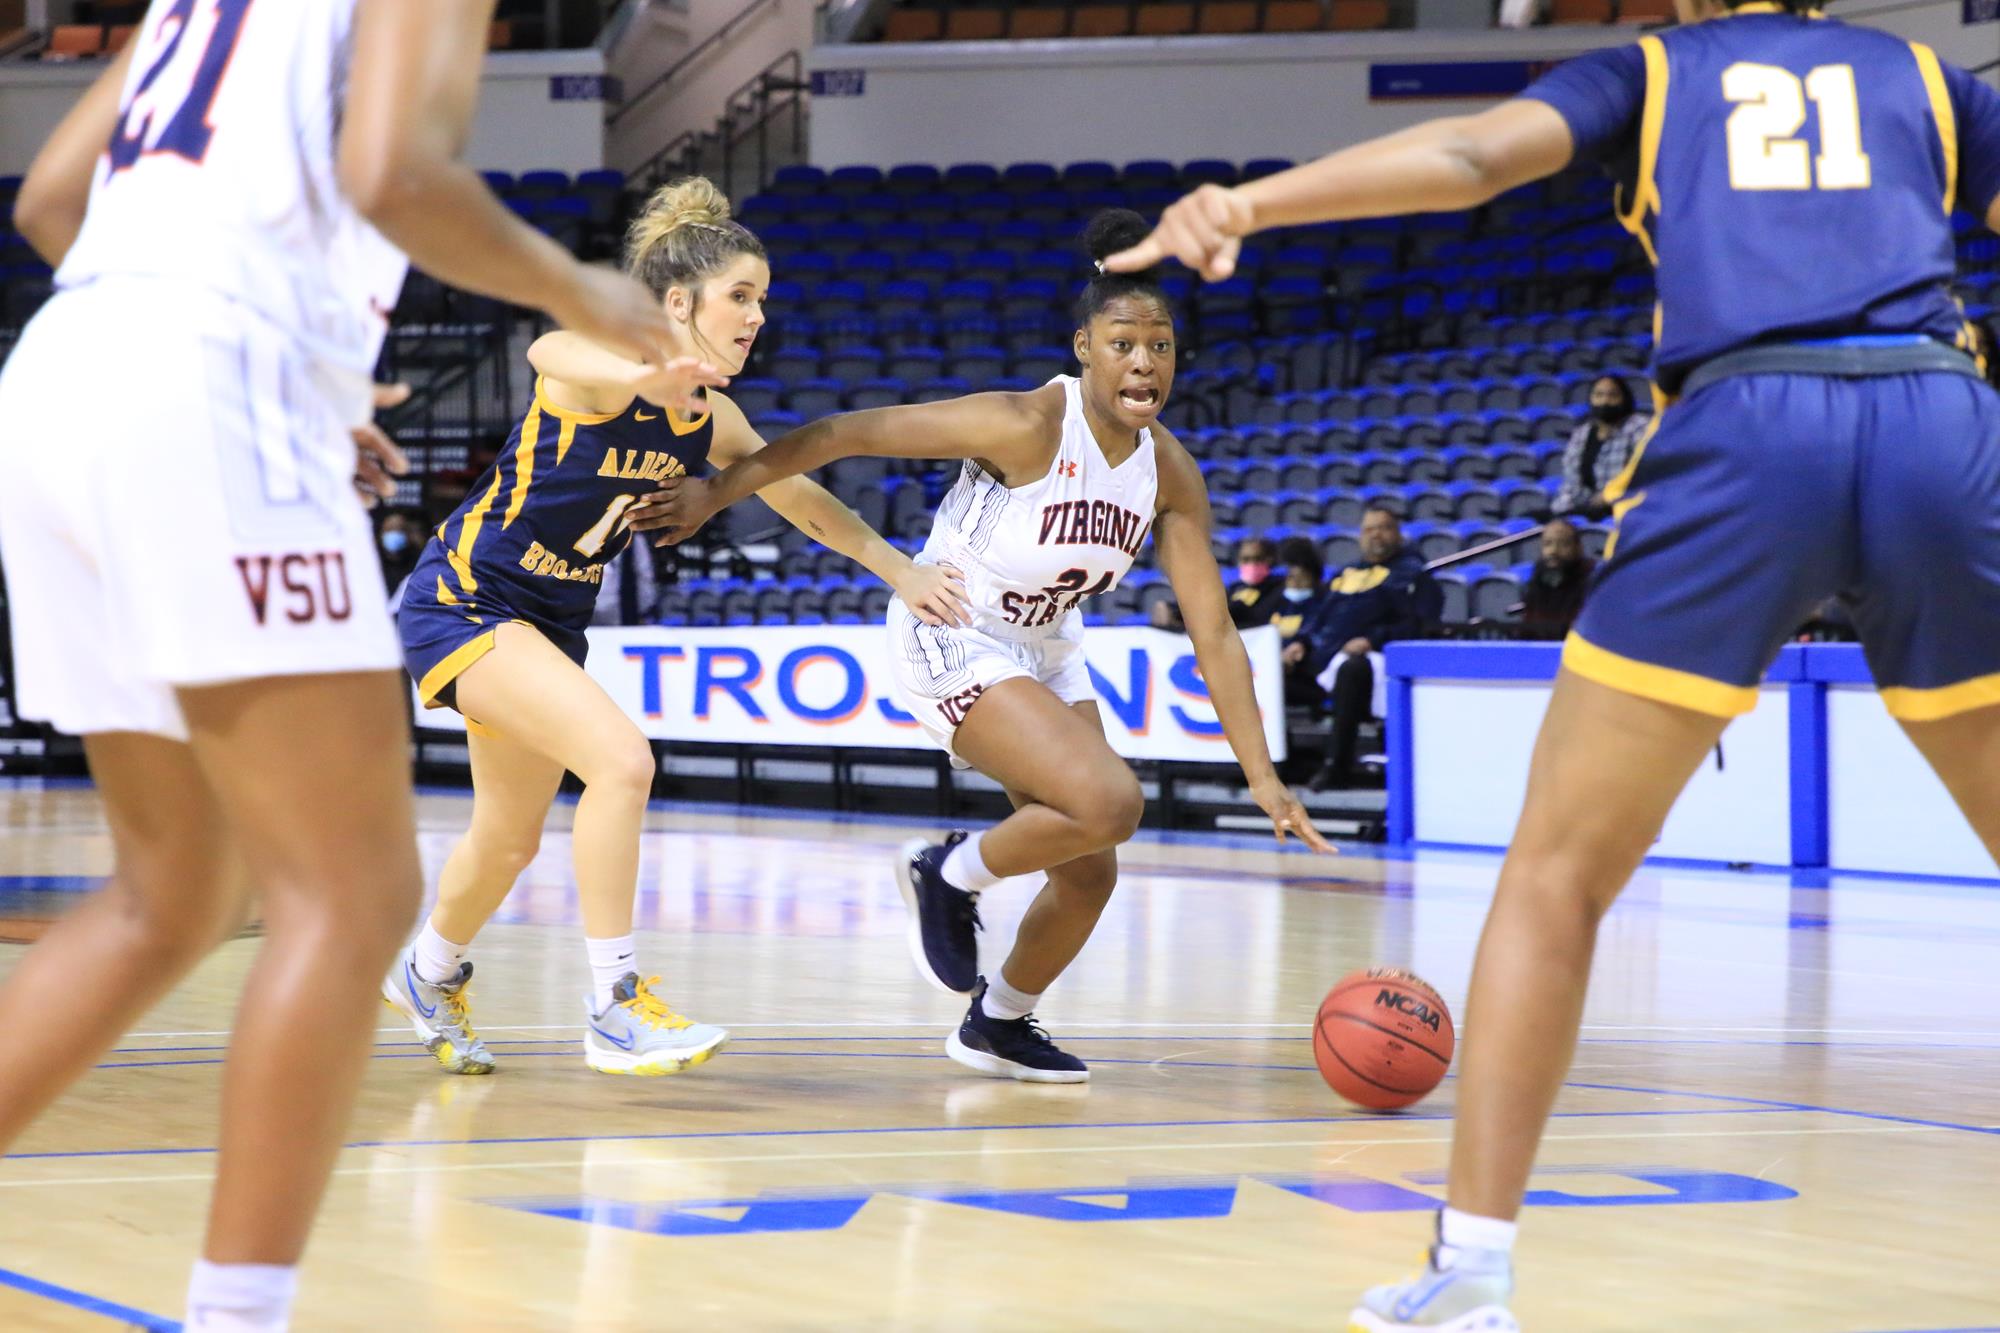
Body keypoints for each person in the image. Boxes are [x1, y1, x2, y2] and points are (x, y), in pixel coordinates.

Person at [1111, 0, 2000, 1327]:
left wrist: (1248, 203)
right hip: (1939, 417)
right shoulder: (1925, 74)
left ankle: (1471, 1273)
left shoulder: (1656, 67)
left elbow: (1472, 156)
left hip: (1749, 428)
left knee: (1557, 874)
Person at [0, 2, 681, 1329]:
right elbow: (393, 176)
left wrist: (278, 368)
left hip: (64, 371)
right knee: (353, 894)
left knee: (170, 896)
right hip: (205, 376)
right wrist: (577, 287)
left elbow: (47, 201)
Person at [631, 210, 1334, 1083]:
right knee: (1111, 798)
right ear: (1085, 349)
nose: (1144, 363)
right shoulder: (1023, 423)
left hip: (1048, 645)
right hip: (953, 626)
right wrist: (715, 493)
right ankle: (947, 870)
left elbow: (1215, 631)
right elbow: (843, 433)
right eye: (1123, 344)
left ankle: (998, 1022)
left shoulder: (1169, 471)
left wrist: (1264, 777)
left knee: (1089, 872)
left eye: (1160, 346)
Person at [383, 178, 967, 1077]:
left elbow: (803, 501)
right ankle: (615, 1004)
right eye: (742, 295)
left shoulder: (714, 418)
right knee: (623, 761)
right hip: (466, 597)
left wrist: (903, 570)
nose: (757, 316)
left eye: (762, 299)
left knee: (507, 837)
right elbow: (548, 348)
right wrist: (645, 374)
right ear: (680, 302)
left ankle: (426, 973)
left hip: (547, 621)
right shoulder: (606, 366)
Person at [1281, 506, 1442, 790]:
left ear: (1398, 534)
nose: (1375, 535)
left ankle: (1337, 767)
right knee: (1270, 675)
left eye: (1383, 528)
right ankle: (1282, 762)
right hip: (1323, 661)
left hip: (1372, 663)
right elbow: (1318, 616)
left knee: (1352, 669)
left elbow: (1420, 624)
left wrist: (1372, 640)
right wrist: (1300, 642)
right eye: (1369, 529)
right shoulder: (1345, 573)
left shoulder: (1414, 576)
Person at [1555, 375, 1650, 519]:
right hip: (1586, 505)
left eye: (1613, 395)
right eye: (1599, 395)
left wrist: (1608, 496)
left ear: (1625, 399)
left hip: (1624, 505)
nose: (1605, 401)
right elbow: (1571, 481)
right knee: (1536, 518)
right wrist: (1561, 513)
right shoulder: (1582, 433)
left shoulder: (1639, 427)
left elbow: (1643, 472)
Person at [1270, 535, 1331, 705]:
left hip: (1308, 678)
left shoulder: (1324, 602)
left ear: (1310, 571)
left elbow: (1318, 639)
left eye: (1295, 567)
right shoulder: (1278, 601)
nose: (1290, 574)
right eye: (1288, 567)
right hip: (1273, 672)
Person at [1518, 516, 1593, 639]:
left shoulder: (1591, 578)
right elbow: (1528, 628)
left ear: (1578, 548)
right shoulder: (1539, 576)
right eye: (1547, 544)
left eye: (1563, 544)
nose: (1553, 551)